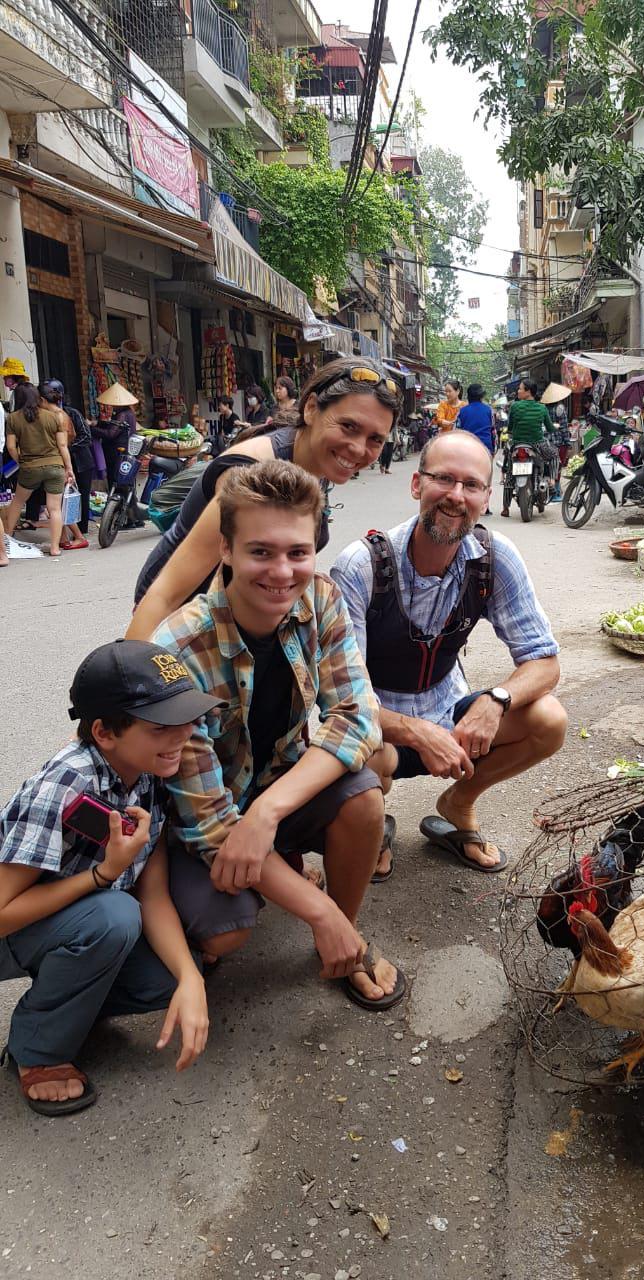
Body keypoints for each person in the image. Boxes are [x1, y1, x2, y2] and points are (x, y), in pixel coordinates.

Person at [151, 460, 403, 1010]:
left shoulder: (321, 598)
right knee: (226, 930)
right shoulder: (179, 648)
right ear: (225, 549)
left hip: (272, 785)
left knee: (364, 794)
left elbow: (358, 716)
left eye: (298, 552)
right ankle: (322, 917)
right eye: (261, 552)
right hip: (199, 816)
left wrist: (266, 814)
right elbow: (206, 823)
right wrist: (319, 911)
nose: (282, 572)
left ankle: (341, 941)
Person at [331, 431, 567, 880]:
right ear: (416, 484)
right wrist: (418, 734)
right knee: (357, 752)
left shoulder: (493, 558)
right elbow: (348, 701)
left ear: (486, 498)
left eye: (471, 485)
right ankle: (373, 822)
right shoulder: (361, 566)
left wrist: (495, 701)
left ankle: (459, 803)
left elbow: (544, 661)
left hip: (449, 712)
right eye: (443, 479)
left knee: (549, 720)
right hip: (378, 727)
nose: (456, 496)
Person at [0, 639, 222, 1115]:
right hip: (14, 925)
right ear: (103, 732)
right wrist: (103, 875)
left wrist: (190, 980)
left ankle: (69, 1003)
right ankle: (38, 1049)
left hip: (61, 926)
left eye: (185, 718)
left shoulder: (149, 776)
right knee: (115, 916)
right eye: (161, 726)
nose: (182, 735)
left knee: (171, 975)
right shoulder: (66, 783)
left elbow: (154, 894)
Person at [128, 358, 400, 640]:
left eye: (375, 439)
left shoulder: (313, 462)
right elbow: (166, 593)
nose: (358, 448)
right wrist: (131, 661)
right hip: (179, 618)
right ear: (310, 409)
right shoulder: (248, 474)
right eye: (348, 426)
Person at [2, 382, 74, 558]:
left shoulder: (13, 418)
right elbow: (62, 445)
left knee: (18, 502)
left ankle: (7, 538)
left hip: (29, 467)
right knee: (54, 508)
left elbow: (10, 447)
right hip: (55, 466)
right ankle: (55, 548)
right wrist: (68, 468)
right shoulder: (53, 417)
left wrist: (21, 461)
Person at [38, 381, 89, 550]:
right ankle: (64, 538)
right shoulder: (54, 414)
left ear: (43, 399)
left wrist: (68, 467)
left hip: (69, 461)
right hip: (61, 462)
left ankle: (79, 536)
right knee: (59, 503)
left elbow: (64, 444)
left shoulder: (61, 415)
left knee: (59, 505)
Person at [502, 379, 557, 517]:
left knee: (510, 473)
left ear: (528, 391)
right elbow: (550, 428)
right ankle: (552, 480)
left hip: (517, 444)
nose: (518, 391)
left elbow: (510, 427)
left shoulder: (514, 406)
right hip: (537, 444)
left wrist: (512, 430)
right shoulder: (542, 408)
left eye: (520, 389)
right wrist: (555, 427)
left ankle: (505, 508)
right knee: (554, 455)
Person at [91, 384, 138, 488]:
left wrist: (91, 429)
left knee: (116, 480)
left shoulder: (122, 414)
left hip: (117, 453)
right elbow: (114, 426)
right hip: (125, 450)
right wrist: (99, 423)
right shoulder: (129, 412)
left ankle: (118, 497)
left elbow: (111, 433)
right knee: (124, 479)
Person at [456, 383, 496, 454]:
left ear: (468, 396)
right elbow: (493, 432)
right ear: (481, 397)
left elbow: (458, 432)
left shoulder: (462, 411)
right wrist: (492, 450)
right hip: (486, 446)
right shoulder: (488, 410)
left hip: (467, 447)